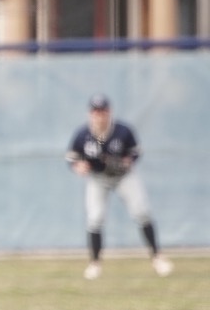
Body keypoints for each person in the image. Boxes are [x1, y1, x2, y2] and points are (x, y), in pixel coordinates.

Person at [67, 94, 172, 280]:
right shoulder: (83, 134)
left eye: (102, 111)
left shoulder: (122, 131)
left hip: (124, 176)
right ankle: (95, 264)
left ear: (109, 112)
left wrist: (128, 161)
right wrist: (78, 166)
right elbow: (72, 157)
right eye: (95, 111)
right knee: (95, 218)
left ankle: (157, 257)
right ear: (90, 113)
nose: (99, 115)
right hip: (98, 178)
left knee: (141, 212)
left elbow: (135, 151)